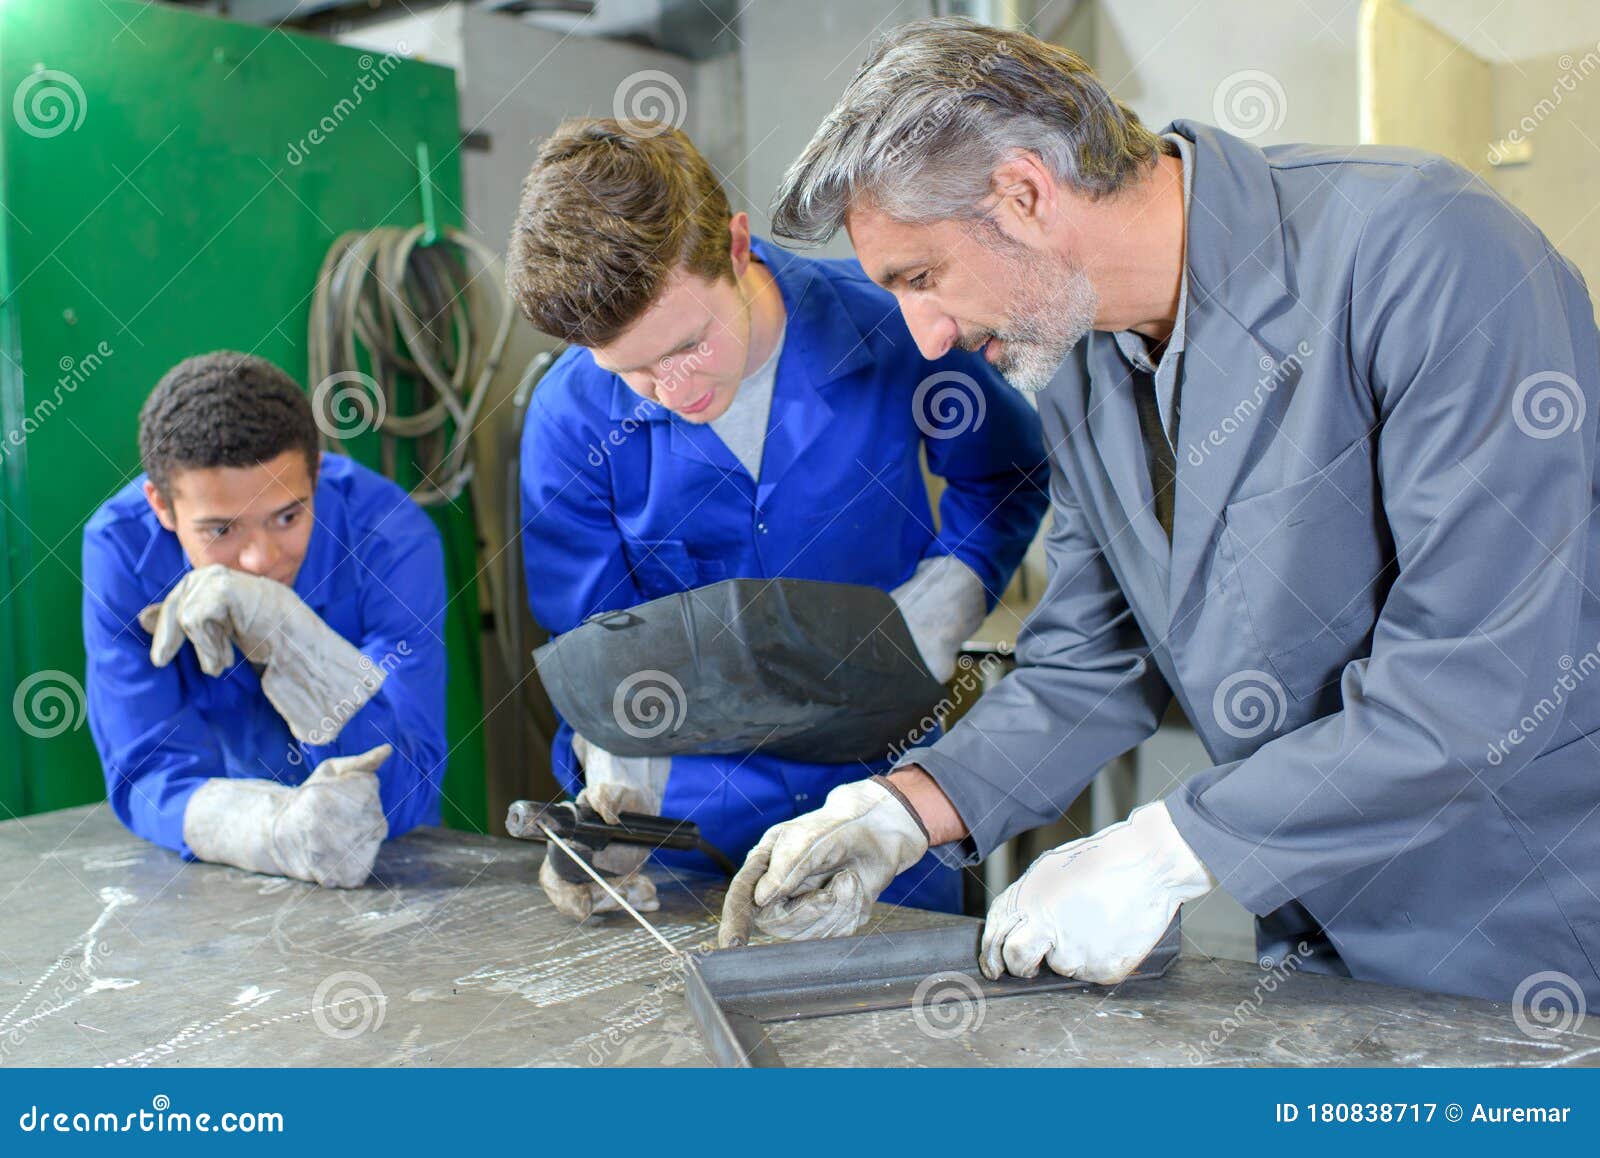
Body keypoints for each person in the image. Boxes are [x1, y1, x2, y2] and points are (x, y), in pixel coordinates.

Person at [720, 17, 1600, 1007]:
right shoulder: (1080, 360)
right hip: (1316, 936)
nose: (925, 336)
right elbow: (1094, 659)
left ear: (1023, 192)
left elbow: (1473, 682)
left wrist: (1167, 848)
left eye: (921, 279)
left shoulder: (1420, 247)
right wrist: (903, 808)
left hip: (1528, 930)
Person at [507, 118, 1050, 921]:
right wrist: (613, 792)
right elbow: (597, 648)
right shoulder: (570, 419)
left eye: (690, 342)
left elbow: (1007, 471)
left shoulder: (893, 327)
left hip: (883, 796)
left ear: (734, 245)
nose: (675, 387)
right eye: (635, 371)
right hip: (685, 823)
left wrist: (945, 601)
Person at [83, 352, 448, 888]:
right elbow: (146, 768)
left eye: (286, 516)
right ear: (161, 507)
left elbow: (410, 784)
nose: (258, 559)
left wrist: (300, 650)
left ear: (316, 474)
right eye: (220, 530)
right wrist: (265, 828)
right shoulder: (121, 548)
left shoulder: (392, 537)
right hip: (217, 873)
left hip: (384, 875)